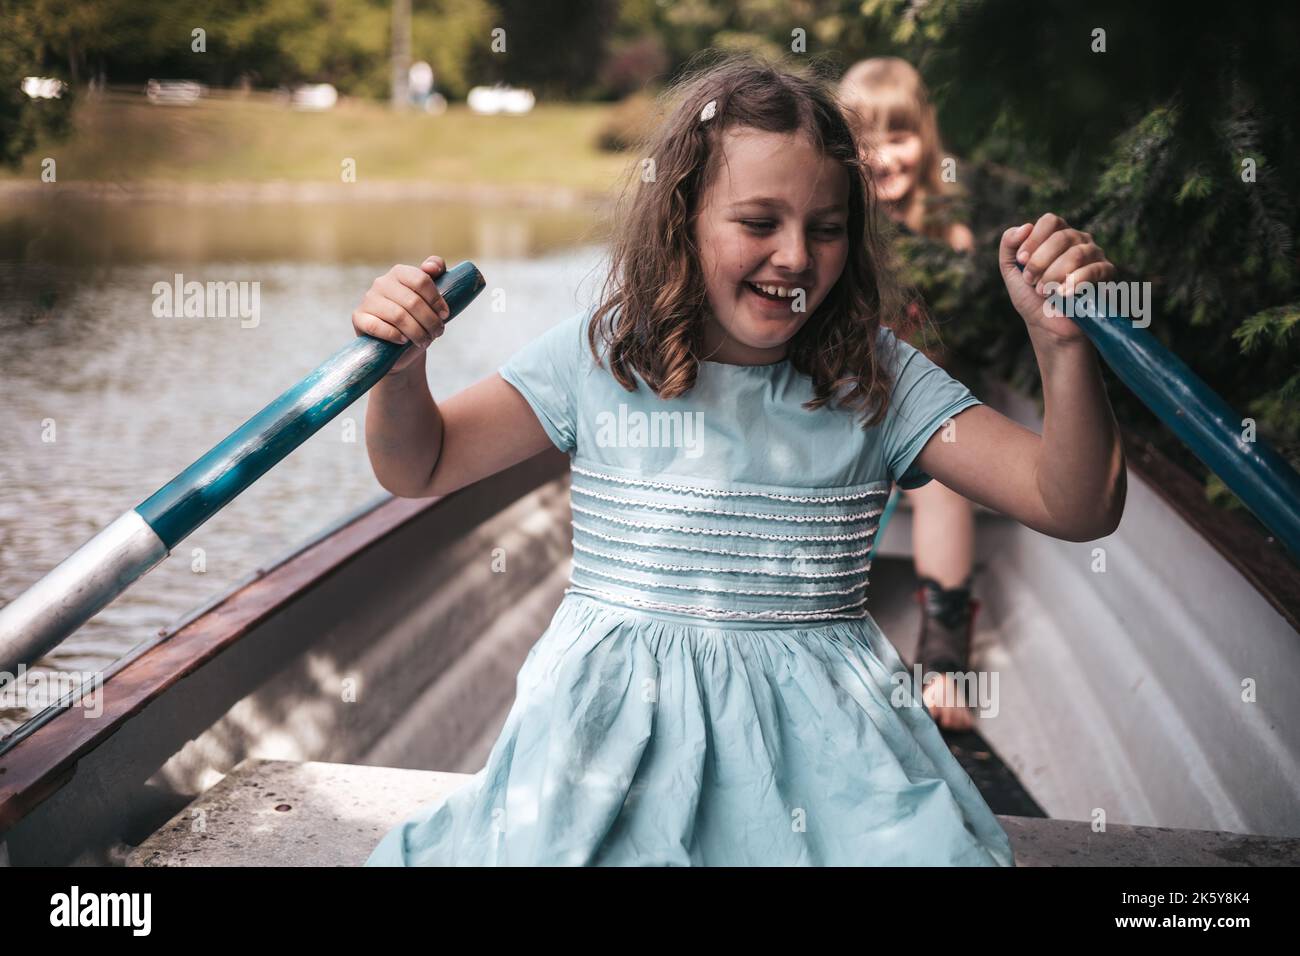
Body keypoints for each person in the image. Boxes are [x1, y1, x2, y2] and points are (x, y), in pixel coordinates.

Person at [355, 55, 1124, 866]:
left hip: (829, 755)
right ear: (683, 217)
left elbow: (1073, 504)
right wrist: (400, 376)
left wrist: (1061, 347)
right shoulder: (601, 357)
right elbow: (421, 465)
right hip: (610, 751)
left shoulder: (877, 376)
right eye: (759, 223)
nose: (795, 256)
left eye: (825, 229)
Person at [838, 57, 983, 731]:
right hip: (845, 407)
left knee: (944, 478)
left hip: (918, 420)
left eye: (899, 137)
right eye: (864, 141)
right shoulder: (835, 228)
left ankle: (945, 658)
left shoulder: (947, 235)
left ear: (925, 139)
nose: (882, 156)